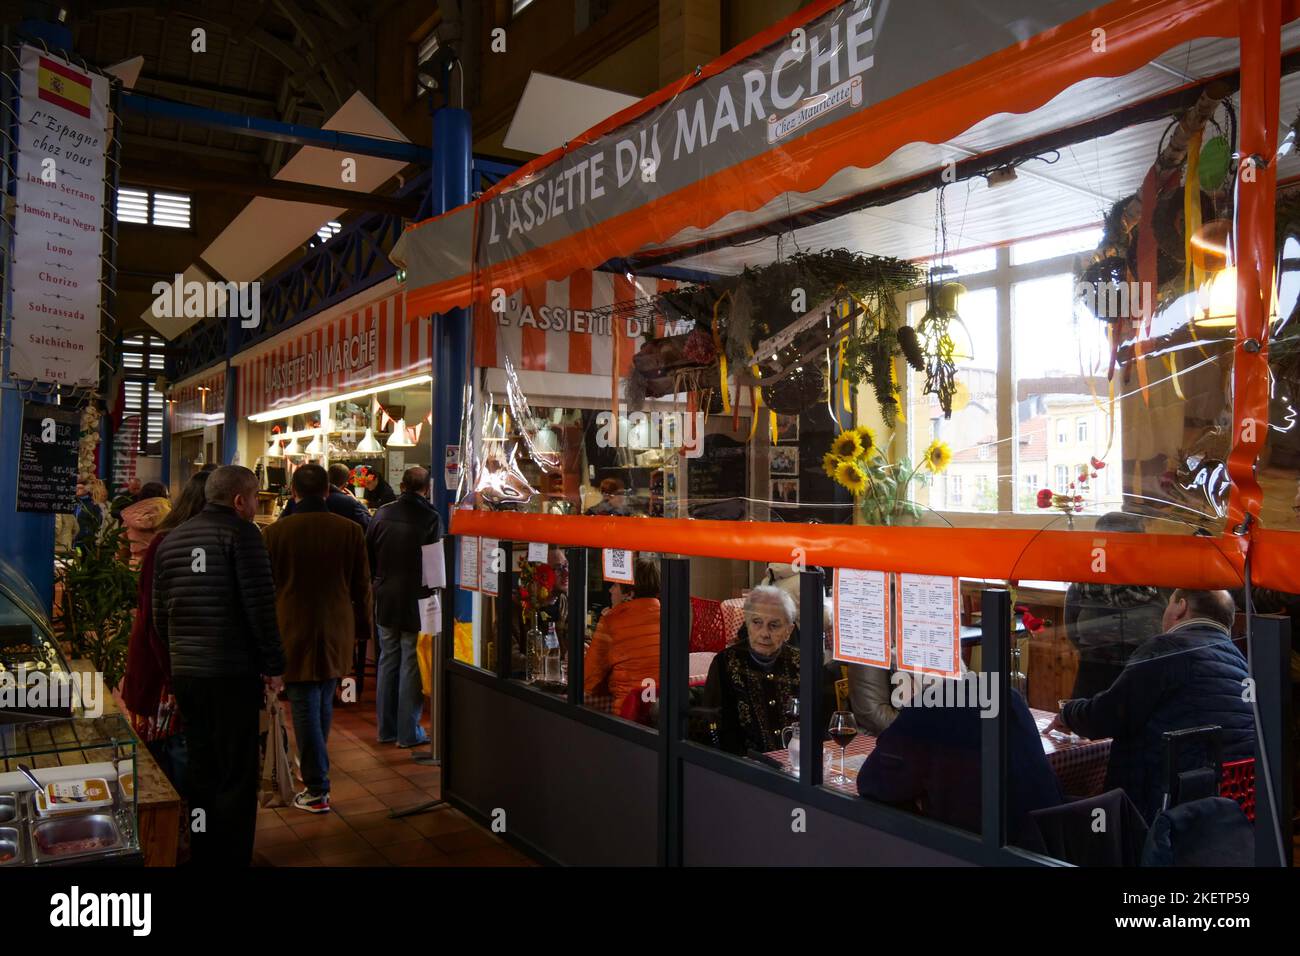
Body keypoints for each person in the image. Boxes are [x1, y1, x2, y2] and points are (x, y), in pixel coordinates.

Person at [152, 465, 285, 866]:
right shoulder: (243, 535)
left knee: (201, 768)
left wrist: (180, 656)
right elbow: (260, 607)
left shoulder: (171, 540)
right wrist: (274, 664)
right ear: (241, 500)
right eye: (255, 497)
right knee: (237, 773)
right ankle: (232, 857)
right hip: (231, 673)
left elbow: (160, 616)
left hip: (188, 673)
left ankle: (204, 849)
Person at [1046, 588, 1255, 822]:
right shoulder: (1241, 661)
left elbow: (1107, 717)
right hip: (1232, 803)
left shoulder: (1167, 648)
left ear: (1181, 607)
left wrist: (1067, 713)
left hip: (1166, 805)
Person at [265, 464, 372, 813]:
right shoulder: (351, 530)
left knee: (304, 704)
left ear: (293, 492)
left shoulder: (275, 534)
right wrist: (363, 630)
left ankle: (316, 787)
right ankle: (315, 772)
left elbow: (265, 590)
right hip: (336, 627)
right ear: (328, 491)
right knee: (323, 698)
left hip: (291, 627)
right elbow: (362, 587)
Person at [857, 680, 1062, 845]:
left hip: (974, 852)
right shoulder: (1007, 696)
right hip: (1045, 849)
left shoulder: (929, 709)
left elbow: (871, 784)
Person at [121, 471, 210, 795]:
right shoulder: (179, 543)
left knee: (168, 748)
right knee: (176, 753)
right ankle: (179, 829)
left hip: (158, 665)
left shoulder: (165, 539)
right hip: (167, 670)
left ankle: (177, 828)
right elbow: (161, 618)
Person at [366, 466, 442, 748]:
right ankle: (408, 733)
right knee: (410, 661)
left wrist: (379, 579)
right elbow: (434, 566)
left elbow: (368, 552)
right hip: (415, 597)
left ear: (401, 485)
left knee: (387, 659)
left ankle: (385, 730)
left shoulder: (382, 512)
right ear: (426, 488)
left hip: (385, 593)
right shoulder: (431, 517)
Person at [1063, 512, 1166, 698]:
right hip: (1094, 672)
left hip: (1146, 675)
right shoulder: (1082, 580)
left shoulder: (1159, 580)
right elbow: (1071, 629)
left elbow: (1172, 630)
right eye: (1102, 541)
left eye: (1117, 543)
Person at [703, 585, 801, 755]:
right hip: (744, 768)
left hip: (797, 765)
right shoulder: (725, 663)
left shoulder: (801, 663)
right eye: (757, 622)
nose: (764, 633)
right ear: (746, 624)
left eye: (774, 625)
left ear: (789, 631)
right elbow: (716, 730)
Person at [584, 556, 660, 703]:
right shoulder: (670, 618)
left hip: (626, 718)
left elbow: (588, 682)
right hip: (662, 718)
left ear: (629, 593)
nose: (611, 590)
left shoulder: (611, 622)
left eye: (615, 585)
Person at [280, 462, 370, 529]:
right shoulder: (349, 503)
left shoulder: (274, 531)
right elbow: (369, 524)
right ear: (327, 490)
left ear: (293, 491)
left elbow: (279, 523)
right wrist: (356, 501)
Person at [119, 481, 172, 569]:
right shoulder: (172, 516)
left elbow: (121, 550)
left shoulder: (129, 518)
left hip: (136, 570)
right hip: (165, 567)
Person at [73, 476, 109, 550]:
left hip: (86, 541)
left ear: (87, 489)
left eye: (81, 488)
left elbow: (98, 522)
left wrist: (88, 533)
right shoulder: (74, 503)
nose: (77, 490)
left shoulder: (93, 505)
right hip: (73, 539)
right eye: (76, 488)